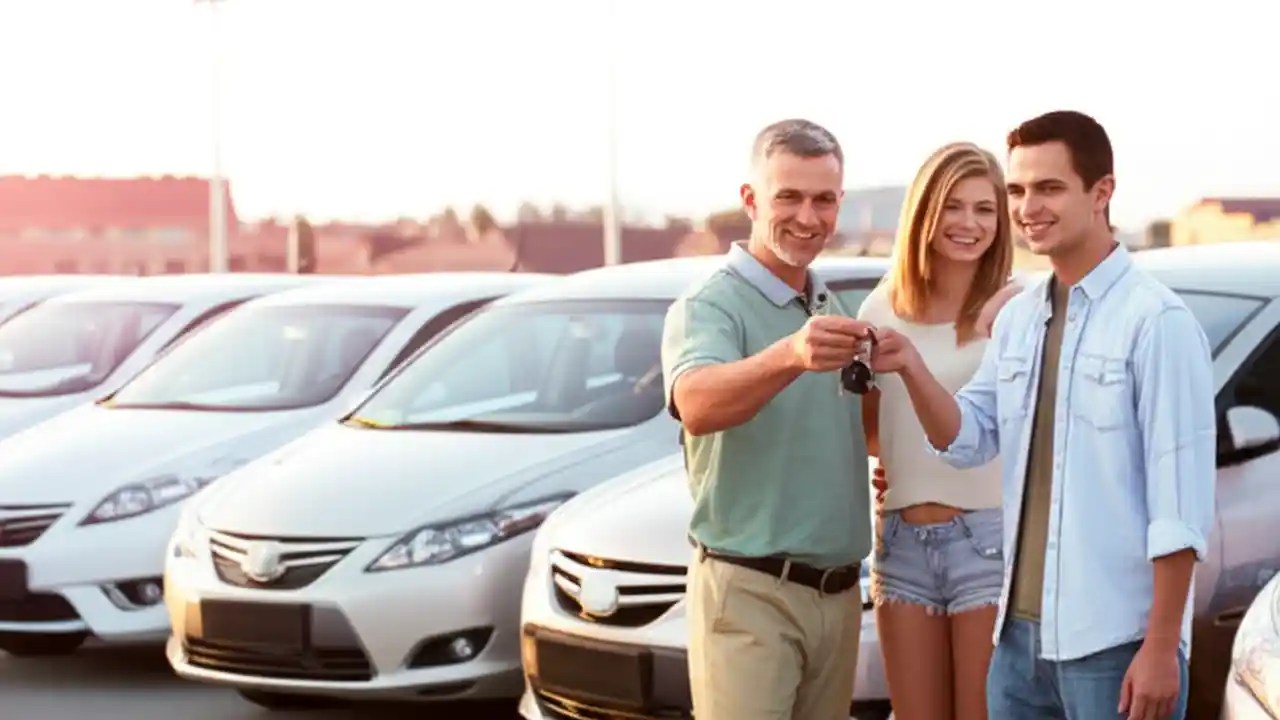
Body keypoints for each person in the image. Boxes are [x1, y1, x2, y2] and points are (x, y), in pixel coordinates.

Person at [870, 110, 1215, 720]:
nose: (1029, 207)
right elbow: (969, 438)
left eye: (1049, 188)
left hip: (1114, 644)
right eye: (1019, 190)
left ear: (1101, 192)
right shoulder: (1022, 319)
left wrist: (1162, 647)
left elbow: (1181, 506)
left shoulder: (1157, 323)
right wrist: (911, 367)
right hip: (1018, 646)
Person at [661, 118, 874, 720]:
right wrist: (791, 354)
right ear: (751, 200)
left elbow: (860, 434)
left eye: (824, 199)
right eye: (790, 197)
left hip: (837, 597)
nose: (808, 217)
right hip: (750, 594)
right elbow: (697, 405)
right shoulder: (709, 304)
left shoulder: (831, 304)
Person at [856, 141, 1014, 720]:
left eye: (984, 208)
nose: (969, 224)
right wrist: (890, 465)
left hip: (986, 543)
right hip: (899, 546)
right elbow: (876, 431)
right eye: (953, 206)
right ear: (925, 213)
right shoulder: (880, 309)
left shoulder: (1015, 307)